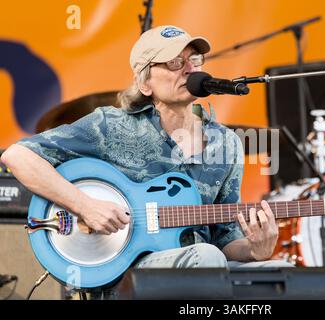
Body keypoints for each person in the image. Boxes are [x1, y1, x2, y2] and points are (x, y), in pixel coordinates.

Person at [1, 25, 292, 298]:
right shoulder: (111, 125)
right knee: (206, 257)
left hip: (202, 266)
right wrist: (84, 206)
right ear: (145, 82)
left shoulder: (226, 143)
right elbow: (17, 156)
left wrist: (254, 250)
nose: (190, 69)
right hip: (126, 272)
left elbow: (224, 237)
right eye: (175, 63)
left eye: (195, 59)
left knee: (283, 276)